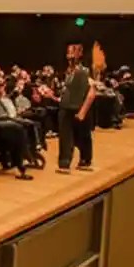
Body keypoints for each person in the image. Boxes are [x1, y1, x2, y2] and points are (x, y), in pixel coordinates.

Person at [56, 43, 95, 174]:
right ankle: (65, 162)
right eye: (69, 52)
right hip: (65, 108)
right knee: (65, 136)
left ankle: (85, 160)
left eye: (74, 52)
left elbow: (91, 93)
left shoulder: (86, 71)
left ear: (80, 54)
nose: (70, 55)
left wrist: (83, 111)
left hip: (79, 108)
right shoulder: (68, 71)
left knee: (84, 135)